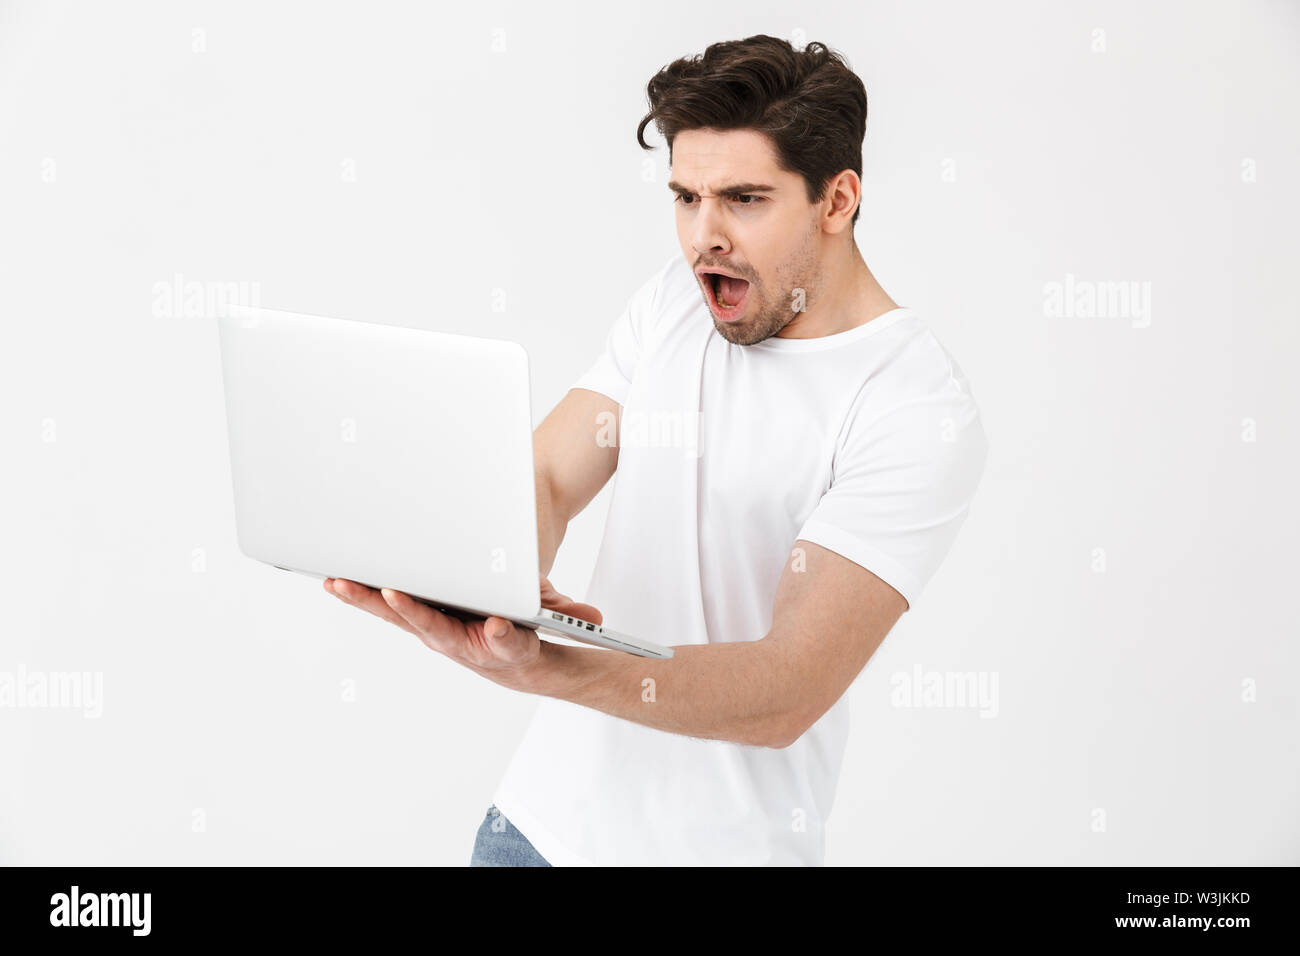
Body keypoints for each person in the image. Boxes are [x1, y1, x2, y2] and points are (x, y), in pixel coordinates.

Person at [325, 34, 988, 866]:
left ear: (838, 198)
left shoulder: (912, 405)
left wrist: (546, 670)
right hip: (535, 832)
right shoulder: (676, 303)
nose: (703, 238)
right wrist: (489, 583)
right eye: (685, 197)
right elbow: (548, 476)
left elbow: (787, 689)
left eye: (744, 199)